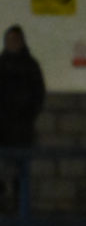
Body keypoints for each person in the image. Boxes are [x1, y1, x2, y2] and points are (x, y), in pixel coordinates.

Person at [0, 25, 46, 208]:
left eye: (15, 40)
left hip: (22, 132)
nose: (13, 43)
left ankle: (21, 216)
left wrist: (27, 117)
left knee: (21, 177)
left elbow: (38, 95)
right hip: (2, 132)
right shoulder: (1, 65)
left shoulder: (30, 66)